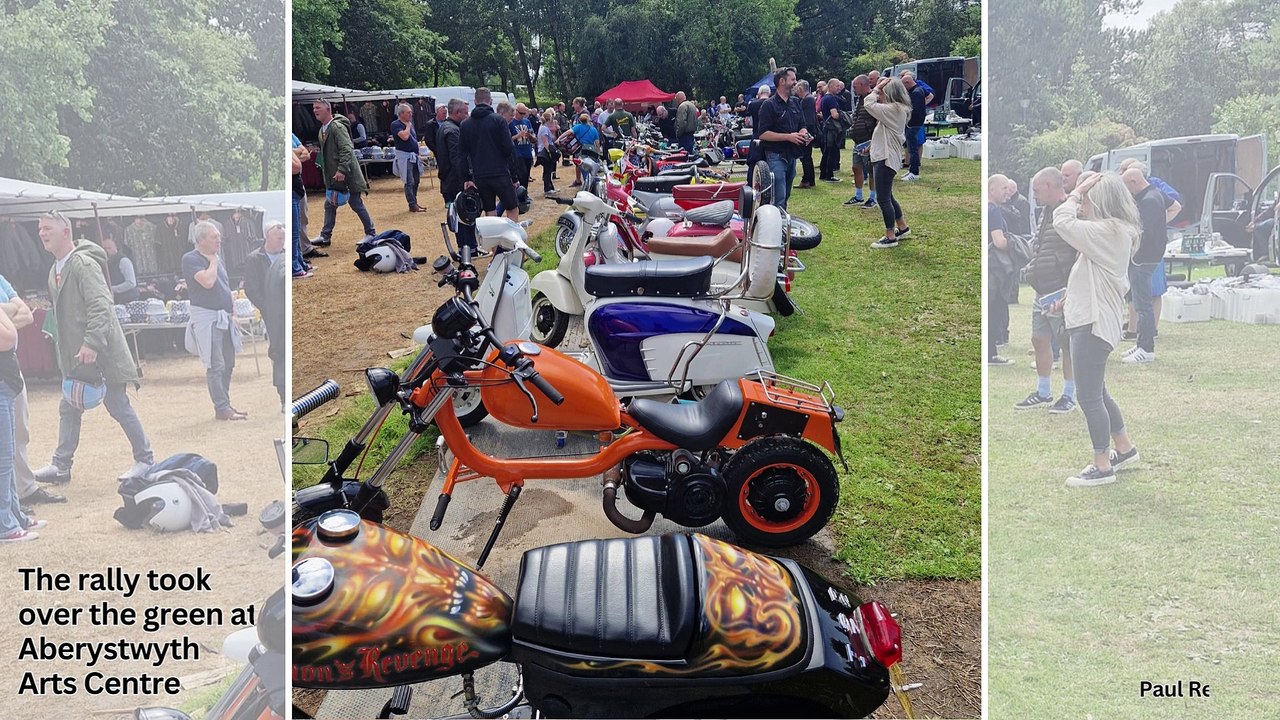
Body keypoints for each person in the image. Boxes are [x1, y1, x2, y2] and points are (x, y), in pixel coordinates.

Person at [33, 212, 154, 485]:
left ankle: (145, 460)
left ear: (66, 232)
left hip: (101, 356)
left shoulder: (83, 264)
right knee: (69, 408)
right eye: (40, 228)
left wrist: (92, 343)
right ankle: (61, 466)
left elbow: (101, 305)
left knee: (117, 405)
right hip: (75, 359)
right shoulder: (56, 269)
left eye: (48, 228)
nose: (42, 233)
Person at [1054, 172, 1142, 487]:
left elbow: (1061, 221)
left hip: (1092, 325)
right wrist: (1066, 300)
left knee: (1088, 397)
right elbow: (1091, 277)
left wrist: (1075, 192)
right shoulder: (1115, 232)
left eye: (1088, 201)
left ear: (1100, 201)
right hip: (1094, 321)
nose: (1083, 207)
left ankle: (1102, 465)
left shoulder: (1108, 231)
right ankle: (1125, 448)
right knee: (1099, 393)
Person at [1016, 167, 1078, 412]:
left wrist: (1069, 291)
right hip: (1041, 289)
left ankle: (1069, 395)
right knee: (1039, 339)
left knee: (1067, 344)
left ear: (1051, 186)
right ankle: (1043, 392)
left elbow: (1078, 251)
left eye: (1037, 189)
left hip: (1060, 289)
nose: (1034, 195)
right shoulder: (1044, 212)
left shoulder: (1071, 212)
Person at [0, 274, 64, 509]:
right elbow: (18, 313)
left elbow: (26, 314)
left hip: (9, 363)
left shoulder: (1, 280)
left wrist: (3, 317)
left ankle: (23, 489)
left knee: (18, 428)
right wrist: (9, 311)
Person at [184, 221, 245, 421]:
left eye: (218, 236)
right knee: (215, 365)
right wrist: (212, 262)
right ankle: (221, 408)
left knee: (229, 363)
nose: (219, 239)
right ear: (201, 240)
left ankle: (225, 404)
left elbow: (226, 288)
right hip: (208, 319)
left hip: (225, 317)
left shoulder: (217, 258)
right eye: (214, 237)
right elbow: (208, 282)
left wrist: (234, 314)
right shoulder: (191, 259)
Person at [1119, 168, 1168, 364]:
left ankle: (1146, 348)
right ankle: (1141, 344)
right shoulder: (1155, 195)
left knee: (1143, 305)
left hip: (1143, 258)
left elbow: (1143, 232)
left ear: (1133, 182)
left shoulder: (1149, 201)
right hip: (1148, 257)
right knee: (1141, 304)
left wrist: (1128, 245)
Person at [312, 99, 378, 245]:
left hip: (347, 175)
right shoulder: (322, 129)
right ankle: (325, 236)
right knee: (329, 204)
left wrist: (342, 169)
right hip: (333, 177)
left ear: (328, 110)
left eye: (318, 108)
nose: (315, 110)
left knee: (356, 203)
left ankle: (371, 233)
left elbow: (347, 149)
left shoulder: (337, 127)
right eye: (314, 108)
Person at [0, 304, 39, 542]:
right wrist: (5, 311)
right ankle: (4, 523)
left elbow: (23, 311)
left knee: (9, 455)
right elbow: (8, 338)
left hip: (6, 384)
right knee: (3, 460)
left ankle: (14, 514)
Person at [864, 77, 912, 249]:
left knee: (883, 199)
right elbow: (885, 134)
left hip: (885, 160)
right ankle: (903, 227)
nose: (880, 95)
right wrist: (871, 146)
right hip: (887, 156)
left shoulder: (893, 109)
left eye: (883, 92)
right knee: (889, 196)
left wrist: (876, 88)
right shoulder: (898, 109)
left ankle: (890, 236)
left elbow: (868, 103)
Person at [461, 88, 520, 223]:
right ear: (491, 101)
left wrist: (467, 178)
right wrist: (514, 176)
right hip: (500, 172)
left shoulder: (465, 124)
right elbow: (508, 148)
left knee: (490, 211)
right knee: (512, 208)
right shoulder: (498, 120)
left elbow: (462, 154)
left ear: (475, 101)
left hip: (480, 175)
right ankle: (510, 242)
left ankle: (492, 244)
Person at [244, 221, 287, 407]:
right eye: (279, 238)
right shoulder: (255, 259)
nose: (282, 241)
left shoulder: (286, 255)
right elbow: (251, 289)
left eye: (283, 238)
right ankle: (283, 396)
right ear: (267, 237)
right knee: (278, 350)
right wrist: (268, 308)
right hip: (272, 314)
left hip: (285, 312)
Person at [755, 66, 810, 211]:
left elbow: (802, 125)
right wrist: (788, 137)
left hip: (791, 155)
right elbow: (763, 134)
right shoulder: (768, 105)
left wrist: (804, 134)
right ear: (781, 81)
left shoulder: (795, 102)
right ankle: (777, 228)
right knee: (778, 197)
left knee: (785, 196)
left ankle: (781, 224)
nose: (795, 82)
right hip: (775, 155)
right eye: (792, 79)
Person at [437, 98, 477, 252]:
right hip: (456, 180)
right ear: (457, 112)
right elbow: (457, 158)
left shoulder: (445, 127)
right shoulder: (453, 131)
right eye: (465, 112)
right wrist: (466, 179)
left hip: (449, 178)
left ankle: (466, 247)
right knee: (464, 214)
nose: (467, 115)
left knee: (460, 215)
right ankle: (468, 248)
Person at [987, 175, 1017, 366]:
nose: (1008, 192)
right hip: (994, 268)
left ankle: (990, 353)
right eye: (1004, 188)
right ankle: (991, 354)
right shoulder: (994, 211)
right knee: (995, 309)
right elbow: (999, 241)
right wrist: (1016, 244)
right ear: (992, 189)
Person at [844, 74, 879, 208]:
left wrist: (873, 142)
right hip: (858, 142)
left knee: (871, 171)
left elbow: (877, 121)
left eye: (855, 86)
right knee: (856, 167)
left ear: (863, 85)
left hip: (869, 141)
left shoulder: (874, 99)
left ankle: (873, 198)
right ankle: (858, 196)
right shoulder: (860, 99)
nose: (853, 89)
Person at [391, 103, 427, 213]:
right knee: (409, 181)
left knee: (416, 180)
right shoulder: (396, 124)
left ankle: (414, 202)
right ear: (401, 114)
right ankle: (412, 204)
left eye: (411, 112)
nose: (411, 114)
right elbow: (405, 137)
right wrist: (407, 126)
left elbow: (414, 139)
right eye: (408, 112)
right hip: (404, 157)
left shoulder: (410, 123)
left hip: (413, 156)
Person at [899, 71, 931, 181]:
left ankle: (914, 172)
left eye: (903, 85)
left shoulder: (916, 93)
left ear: (908, 82)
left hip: (913, 124)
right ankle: (911, 170)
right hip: (914, 123)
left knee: (913, 149)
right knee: (911, 147)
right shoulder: (918, 90)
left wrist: (906, 115)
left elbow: (915, 110)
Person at [817, 77, 845, 183]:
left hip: (826, 127)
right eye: (837, 86)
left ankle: (823, 174)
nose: (839, 88)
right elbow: (834, 115)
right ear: (830, 86)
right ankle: (829, 175)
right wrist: (842, 115)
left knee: (827, 151)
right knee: (831, 151)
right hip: (832, 129)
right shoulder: (831, 98)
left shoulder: (824, 98)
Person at [100, 237, 139, 304]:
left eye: (109, 248)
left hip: (129, 300)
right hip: (116, 300)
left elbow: (131, 283)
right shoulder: (106, 263)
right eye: (104, 249)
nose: (106, 251)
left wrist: (112, 289)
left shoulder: (123, 261)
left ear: (115, 248)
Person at [745, 85, 771, 185]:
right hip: (771, 136)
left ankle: (751, 183)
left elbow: (747, 122)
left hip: (757, 134)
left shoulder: (753, 104)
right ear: (769, 93)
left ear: (759, 93)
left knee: (753, 161)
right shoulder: (773, 103)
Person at [795, 80, 818, 189]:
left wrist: (805, 133)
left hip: (807, 131)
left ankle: (807, 180)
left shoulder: (806, 100)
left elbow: (807, 119)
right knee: (806, 157)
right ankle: (809, 180)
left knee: (805, 157)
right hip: (809, 131)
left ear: (800, 89)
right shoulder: (809, 99)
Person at [510, 103, 537, 189]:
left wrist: (530, 136)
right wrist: (518, 135)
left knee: (527, 175)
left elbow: (534, 138)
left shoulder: (527, 122)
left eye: (524, 114)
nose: (523, 116)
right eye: (521, 113)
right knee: (522, 173)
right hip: (517, 152)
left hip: (527, 151)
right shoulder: (510, 123)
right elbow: (507, 139)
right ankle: (520, 194)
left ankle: (524, 193)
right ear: (516, 111)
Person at [536, 109, 560, 196]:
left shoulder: (542, 127)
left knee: (548, 170)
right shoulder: (545, 128)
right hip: (545, 152)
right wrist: (549, 152)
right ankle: (547, 189)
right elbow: (545, 142)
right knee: (547, 171)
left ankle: (550, 187)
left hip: (543, 150)